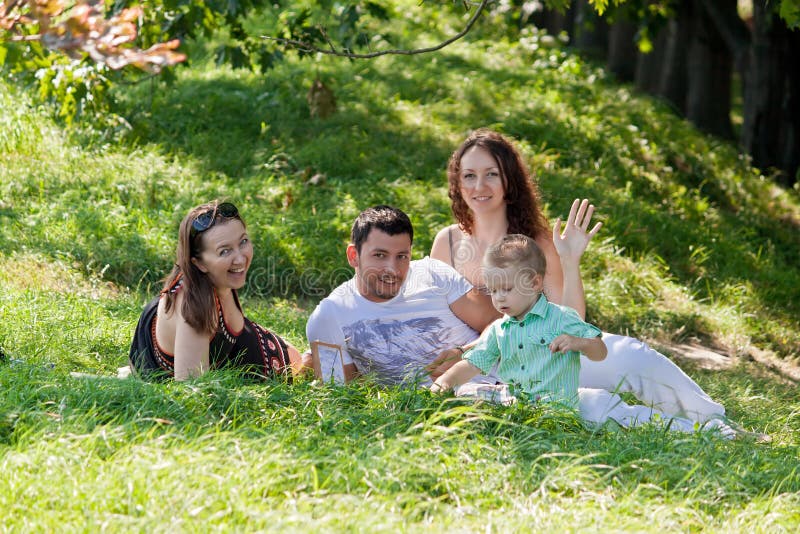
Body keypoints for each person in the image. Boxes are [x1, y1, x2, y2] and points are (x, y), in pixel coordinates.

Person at [307, 205, 733, 435]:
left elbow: (493, 317)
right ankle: (714, 438)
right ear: (353, 255)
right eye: (379, 256)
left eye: (401, 256)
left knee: (630, 356)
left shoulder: (430, 273)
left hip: (506, 353)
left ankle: (714, 417)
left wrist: (467, 350)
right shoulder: (330, 316)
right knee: (594, 405)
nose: (393, 269)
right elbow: (340, 393)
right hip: (467, 392)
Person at [429, 128, 726, 423]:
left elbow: (571, 319)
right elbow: (431, 314)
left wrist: (569, 261)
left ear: (509, 179)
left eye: (491, 174)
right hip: (486, 369)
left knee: (636, 356)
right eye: (469, 175)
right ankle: (684, 429)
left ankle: (713, 420)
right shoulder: (448, 243)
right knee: (598, 406)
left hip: (549, 354)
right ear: (458, 183)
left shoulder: (537, 242)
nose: (479, 185)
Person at [129, 200, 308, 381]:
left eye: (243, 241)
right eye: (224, 251)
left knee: (308, 361)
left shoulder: (213, 277)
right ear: (198, 262)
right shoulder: (195, 310)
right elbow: (191, 390)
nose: (240, 258)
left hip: (266, 357)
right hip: (267, 370)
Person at [432, 234, 607, 410]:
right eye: (493, 290)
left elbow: (600, 352)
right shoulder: (499, 329)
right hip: (516, 408)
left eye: (507, 289)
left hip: (554, 412)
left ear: (535, 283)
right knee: (467, 394)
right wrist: (445, 381)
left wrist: (579, 343)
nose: (499, 298)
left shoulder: (561, 317)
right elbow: (473, 364)